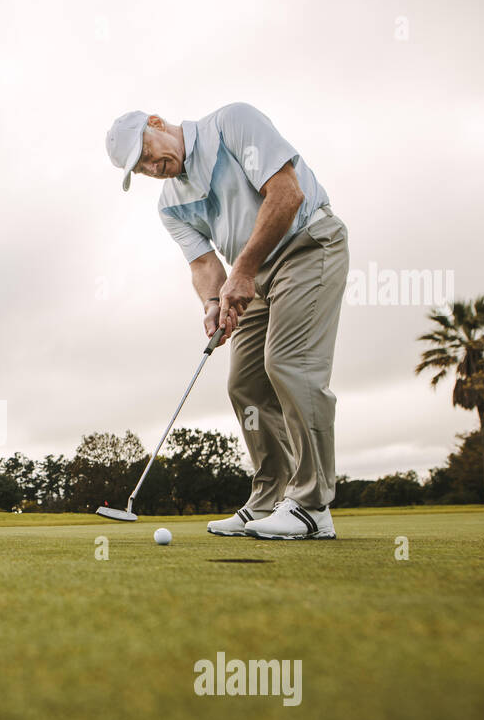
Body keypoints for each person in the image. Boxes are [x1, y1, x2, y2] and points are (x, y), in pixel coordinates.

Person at [106, 103, 349, 540]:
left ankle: (312, 505)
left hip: (308, 245)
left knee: (288, 365)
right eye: (139, 169)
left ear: (156, 123)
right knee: (245, 386)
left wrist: (243, 271)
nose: (151, 168)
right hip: (253, 277)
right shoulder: (170, 205)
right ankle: (270, 500)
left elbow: (287, 194)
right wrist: (212, 303)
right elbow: (203, 264)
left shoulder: (231, 123)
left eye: (146, 154)